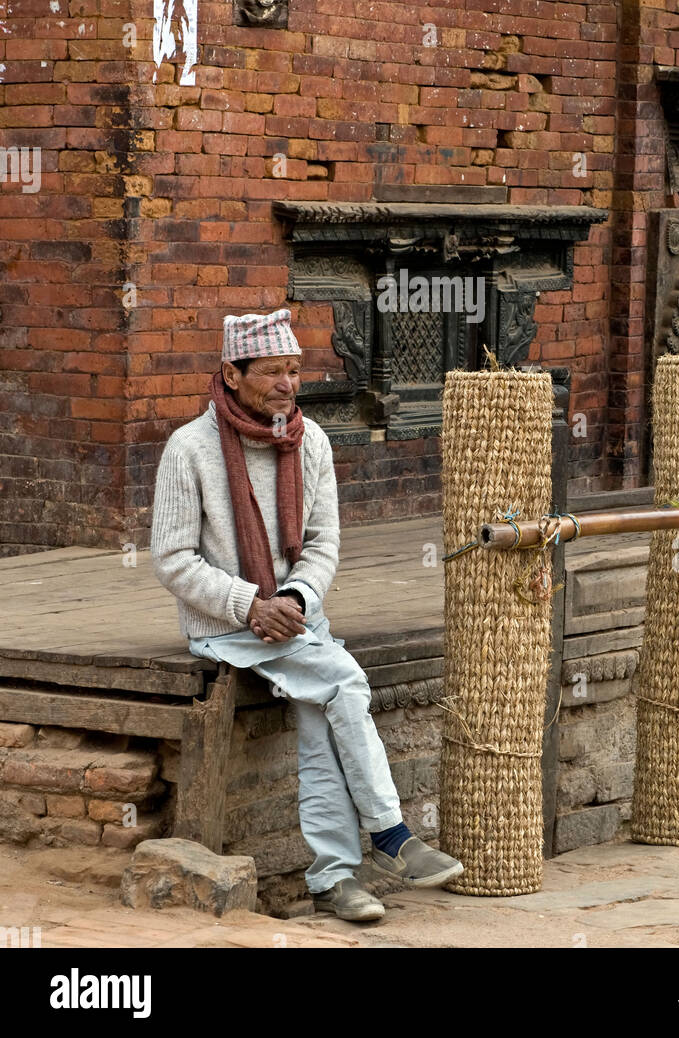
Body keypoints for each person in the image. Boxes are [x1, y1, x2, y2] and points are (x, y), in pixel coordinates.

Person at [150, 307, 463, 922]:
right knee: (344, 680)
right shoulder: (188, 449)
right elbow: (173, 560)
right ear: (231, 374)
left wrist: (293, 601)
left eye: (294, 371)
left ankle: (333, 880)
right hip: (224, 631)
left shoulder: (310, 440)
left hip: (295, 622)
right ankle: (391, 836)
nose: (287, 385)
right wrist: (249, 606)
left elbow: (322, 545)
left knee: (324, 714)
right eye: (271, 372)